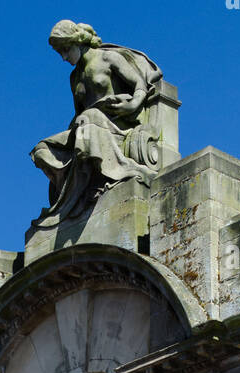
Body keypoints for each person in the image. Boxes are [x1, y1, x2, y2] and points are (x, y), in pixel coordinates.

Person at [31, 20, 163, 225]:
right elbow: (79, 113)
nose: (64, 57)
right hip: (88, 124)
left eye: (66, 50)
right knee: (42, 149)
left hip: (117, 122)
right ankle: (70, 195)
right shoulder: (74, 77)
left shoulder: (108, 58)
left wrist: (133, 104)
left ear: (77, 41)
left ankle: (105, 177)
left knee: (89, 119)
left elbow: (139, 83)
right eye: (60, 53)